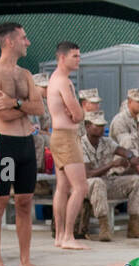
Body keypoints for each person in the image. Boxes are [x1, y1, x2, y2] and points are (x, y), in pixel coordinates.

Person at [0, 21, 49, 266]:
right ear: (10, 41)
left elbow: (39, 109)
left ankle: (25, 260)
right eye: (24, 37)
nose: (27, 42)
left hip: (26, 146)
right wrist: (22, 105)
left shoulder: (25, 75)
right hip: (6, 144)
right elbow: (4, 115)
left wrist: (15, 101)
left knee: (24, 201)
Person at [74, 111, 139, 241]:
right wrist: (112, 165)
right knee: (97, 182)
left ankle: (134, 224)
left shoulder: (106, 141)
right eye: (97, 125)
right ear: (87, 126)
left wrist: (132, 158)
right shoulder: (81, 144)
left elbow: (122, 150)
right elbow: (88, 174)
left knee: (135, 180)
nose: (101, 128)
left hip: (106, 182)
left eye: (103, 125)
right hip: (84, 186)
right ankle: (104, 227)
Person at [46, 40, 88, 251]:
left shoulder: (57, 79)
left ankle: (61, 235)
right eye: (75, 56)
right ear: (62, 57)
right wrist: (76, 112)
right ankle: (68, 235)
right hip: (65, 136)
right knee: (80, 187)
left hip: (60, 135)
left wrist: (74, 113)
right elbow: (78, 114)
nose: (78, 60)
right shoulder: (62, 81)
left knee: (63, 187)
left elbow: (74, 113)